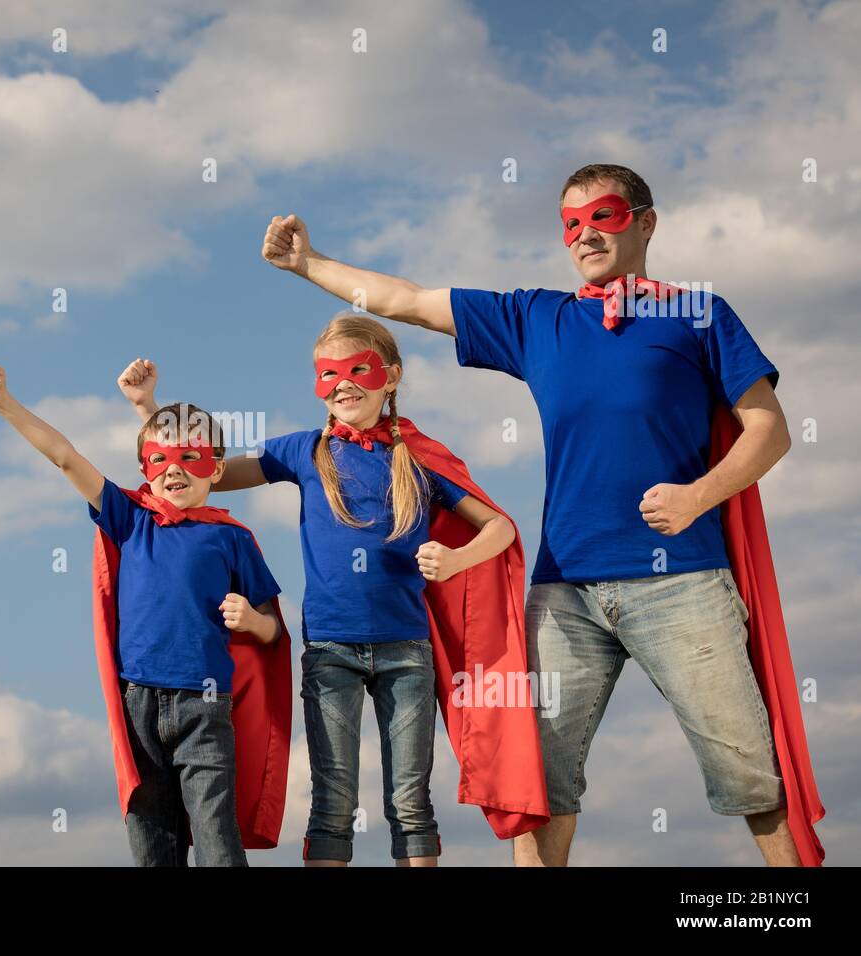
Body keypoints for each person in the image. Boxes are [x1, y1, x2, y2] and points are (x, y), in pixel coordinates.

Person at [257, 162, 824, 866]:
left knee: (750, 775)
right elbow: (405, 301)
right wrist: (309, 263)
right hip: (564, 595)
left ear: (645, 222)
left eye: (604, 216)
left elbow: (768, 428)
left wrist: (698, 495)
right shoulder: (537, 318)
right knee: (541, 786)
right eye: (571, 223)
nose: (585, 233)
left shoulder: (698, 313)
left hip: (682, 581)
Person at [117, 316, 549, 867]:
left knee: (410, 801)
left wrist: (457, 558)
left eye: (357, 370)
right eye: (329, 374)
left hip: (406, 651)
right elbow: (201, 471)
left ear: (390, 377)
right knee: (332, 802)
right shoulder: (305, 450)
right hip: (329, 653)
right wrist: (147, 408)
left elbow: (501, 527)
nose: (343, 384)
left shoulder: (419, 456)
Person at [0, 360, 290, 866]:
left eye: (192, 456)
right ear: (145, 466)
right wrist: (4, 402)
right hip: (138, 702)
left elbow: (275, 633)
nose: (176, 469)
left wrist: (253, 621)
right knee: (152, 840)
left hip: (205, 707)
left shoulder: (231, 538)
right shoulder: (129, 518)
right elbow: (66, 458)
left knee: (215, 840)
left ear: (218, 469)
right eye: (161, 458)